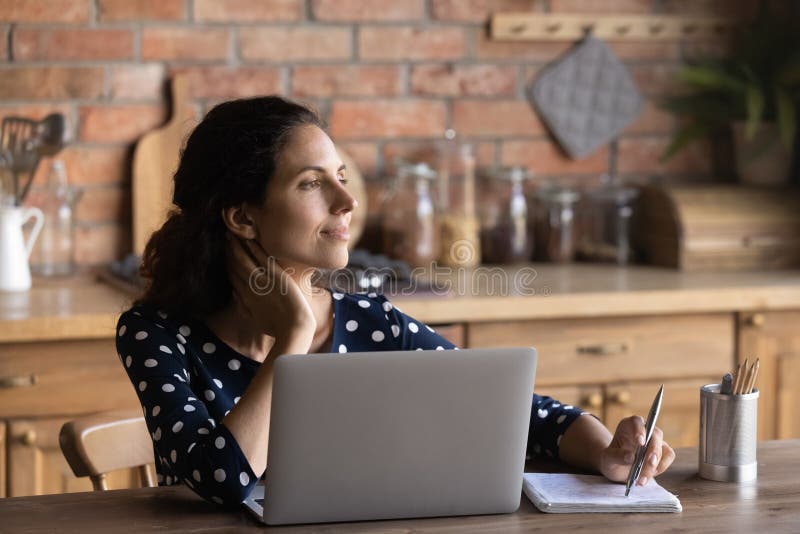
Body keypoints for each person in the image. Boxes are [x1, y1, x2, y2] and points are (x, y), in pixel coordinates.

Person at [116, 96, 675, 508]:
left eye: (340, 176)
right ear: (242, 216)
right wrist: (292, 334)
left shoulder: (370, 321)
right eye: (312, 184)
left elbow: (520, 415)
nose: (347, 200)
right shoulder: (157, 334)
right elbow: (221, 480)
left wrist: (608, 450)